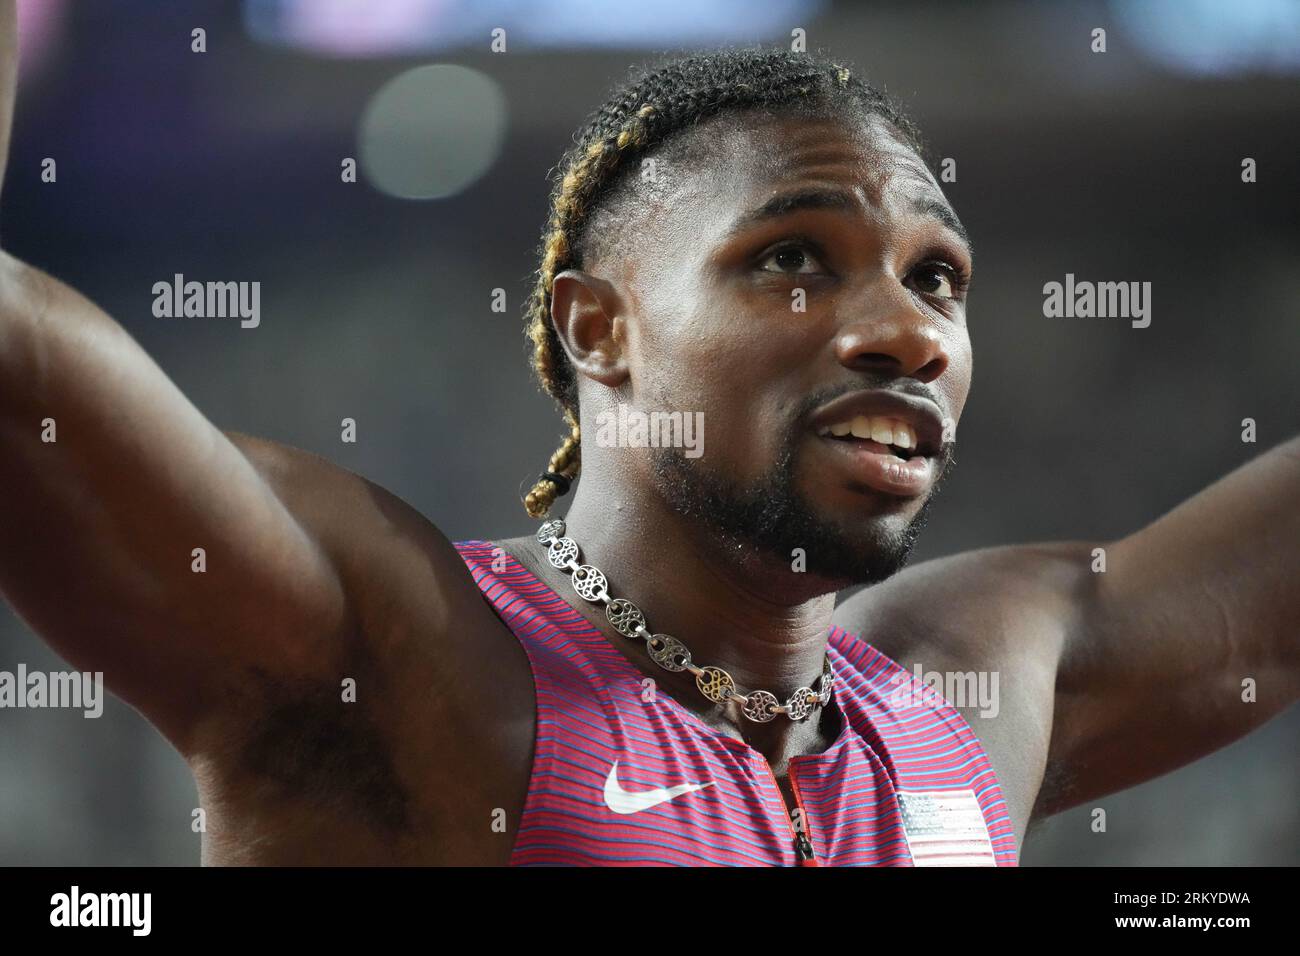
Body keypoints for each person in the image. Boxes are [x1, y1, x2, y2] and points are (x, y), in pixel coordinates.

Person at [1, 11, 1295, 864]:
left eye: (939, 278)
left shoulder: (980, 687)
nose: (909, 333)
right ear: (598, 328)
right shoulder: (405, 658)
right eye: (795, 259)